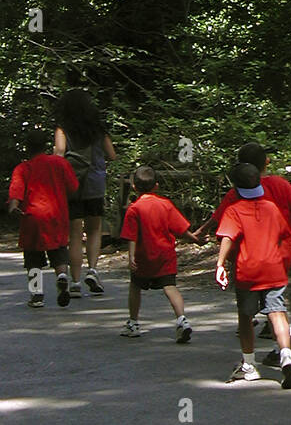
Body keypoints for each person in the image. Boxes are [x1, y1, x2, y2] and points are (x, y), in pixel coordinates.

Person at [191, 141, 291, 365]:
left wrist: (202, 234)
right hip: (279, 253)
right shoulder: (281, 185)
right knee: (274, 300)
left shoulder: (236, 194)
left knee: (250, 309)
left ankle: (255, 358)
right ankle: (284, 345)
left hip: (248, 258)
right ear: (266, 162)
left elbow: (220, 219)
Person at [216, 162, 291, 388]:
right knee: (278, 312)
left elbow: (228, 237)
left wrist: (220, 263)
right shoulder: (272, 208)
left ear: (235, 187)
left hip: (248, 270)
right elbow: (284, 234)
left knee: (245, 316)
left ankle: (249, 365)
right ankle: (286, 356)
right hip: (273, 268)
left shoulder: (234, 210)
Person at [118, 166, 193, 341]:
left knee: (135, 286)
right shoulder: (165, 204)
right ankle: (182, 319)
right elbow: (181, 228)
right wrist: (195, 238)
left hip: (143, 257)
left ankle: (133, 322)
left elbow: (131, 236)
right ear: (156, 186)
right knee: (170, 287)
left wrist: (131, 257)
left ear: (134, 187)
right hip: (165, 255)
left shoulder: (134, 209)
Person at [53, 88, 115, 297]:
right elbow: (112, 155)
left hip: (72, 185)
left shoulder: (62, 129)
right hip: (95, 182)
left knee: (75, 234)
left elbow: (59, 155)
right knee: (95, 230)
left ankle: (76, 282)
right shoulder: (98, 128)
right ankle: (93, 270)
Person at [7, 128, 78, 307]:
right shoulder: (59, 163)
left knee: (33, 257)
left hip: (31, 217)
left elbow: (16, 191)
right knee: (59, 251)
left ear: (27, 148)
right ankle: (62, 276)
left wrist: (14, 206)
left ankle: (37, 294)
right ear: (46, 145)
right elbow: (73, 187)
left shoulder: (23, 168)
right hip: (56, 215)